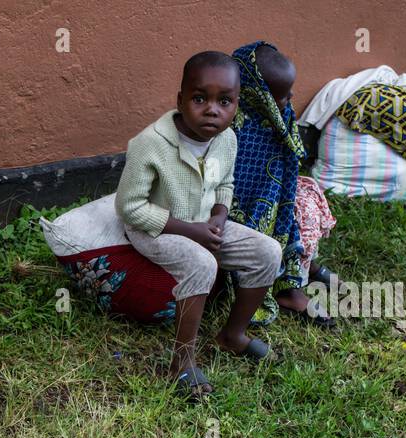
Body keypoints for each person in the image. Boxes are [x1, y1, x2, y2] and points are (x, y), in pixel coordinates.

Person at [116, 51, 283, 400]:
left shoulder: (227, 139)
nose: (212, 110)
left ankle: (232, 335)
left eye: (225, 101)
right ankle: (181, 360)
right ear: (179, 100)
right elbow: (130, 208)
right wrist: (192, 232)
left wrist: (220, 216)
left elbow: (226, 184)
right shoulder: (150, 144)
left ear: (237, 104)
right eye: (199, 98)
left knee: (268, 251)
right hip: (153, 226)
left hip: (204, 223)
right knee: (202, 262)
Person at [227, 41, 336, 325]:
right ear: (257, 95)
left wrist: (285, 200)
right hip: (240, 210)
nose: (290, 99)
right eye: (283, 96)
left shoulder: (280, 116)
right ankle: (286, 285)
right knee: (272, 230)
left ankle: (297, 275)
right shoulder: (234, 127)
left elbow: (290, 163)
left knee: (306, 206)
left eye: (290, 92)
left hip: (279, 193)